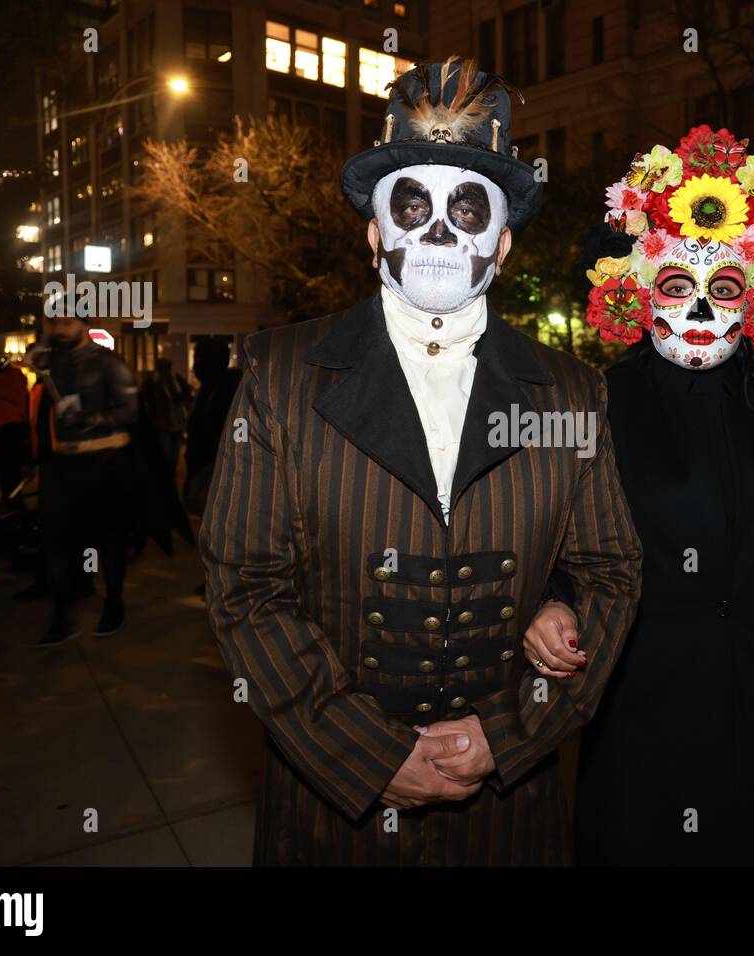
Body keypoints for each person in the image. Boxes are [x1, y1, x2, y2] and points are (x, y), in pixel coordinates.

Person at [198, 57, 642, 866]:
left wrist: (516, 725)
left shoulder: (572, 393)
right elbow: (245, 585)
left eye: (468, 210)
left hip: (508, 818)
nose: (440, 231)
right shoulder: (281, 376)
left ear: (501, 244)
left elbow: (610, 570)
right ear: (375, 232)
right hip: (335, 816)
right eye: (412, 204)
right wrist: (366, 755)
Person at [523, 126, 754, 865]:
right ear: (640, 291)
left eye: (725, 287)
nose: (703, 307)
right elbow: (555, 540)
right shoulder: (599, 404)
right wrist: (550, 603)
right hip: (643, 707)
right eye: (679, 284)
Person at [28, 312, 138, 644]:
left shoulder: (107, 362)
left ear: (84, 325)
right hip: (63, 464)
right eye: (55, 323)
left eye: (68, 323)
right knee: (58, 541)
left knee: (109, 540)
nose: (61, 330)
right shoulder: (50, 362)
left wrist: (92, 418)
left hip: (105, 462)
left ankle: (114, 603)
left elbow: (130, 411)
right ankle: (63, 615)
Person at [181, 338, 241, 517]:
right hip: (205, 470)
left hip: (218, 475)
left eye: (200, 359)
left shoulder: (229, 391)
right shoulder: (209, 389)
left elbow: (240, 438)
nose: (195, 366)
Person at [0, 359, 30, 503]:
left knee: (11, 470)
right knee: (2, 469)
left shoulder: (14, 375)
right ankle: (8, 499)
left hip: (11, 427)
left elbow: (15, 397)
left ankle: (14, 502)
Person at [140, 357, 189, 481]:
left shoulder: (176, 380)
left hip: (176, 422)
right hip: (163, 423)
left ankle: (169, 476)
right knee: (167, 454)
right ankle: (167, 477)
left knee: (174, 455)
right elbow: (147, 401)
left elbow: (186, 395)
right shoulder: (153, 383)